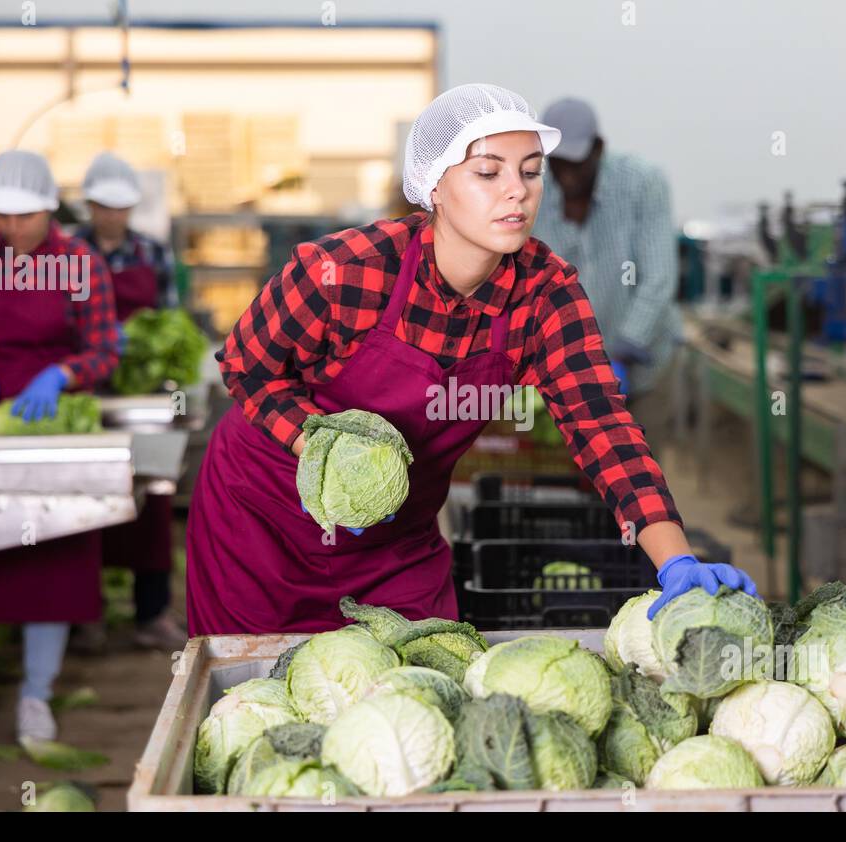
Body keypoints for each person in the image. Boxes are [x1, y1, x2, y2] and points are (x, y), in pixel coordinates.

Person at [186, 84, 756, 636]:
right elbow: (246, 367)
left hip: (396, 540)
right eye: (489, 172)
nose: (518, 191)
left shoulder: (544, 293)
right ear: (433, 185)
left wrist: (674, 561)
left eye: (531, 171)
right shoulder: (343, 271)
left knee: (417, 691)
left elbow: (602, 428)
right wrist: (326, 457)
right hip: (262, 521)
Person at [0, 150, 119, 749]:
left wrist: (62, 376)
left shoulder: (79, 262)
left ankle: (36, 696)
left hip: (54, 423)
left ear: (48, 209)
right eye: (1, 218)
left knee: (50, 560)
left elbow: (104, 349)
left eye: (24, 217)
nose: (11, 230)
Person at [75, 152, 184, 653]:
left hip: (141, 396)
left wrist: (148, 353)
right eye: (103, 206)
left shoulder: (154, 254)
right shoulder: (68, 253)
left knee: (153, 499)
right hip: (82, 395)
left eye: (120, 207)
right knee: (83, 500)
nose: (111, 215)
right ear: (90, 205)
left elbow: (173, 326)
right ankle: (84, 615)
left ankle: (152, 614)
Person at [532, 96, 681, 451]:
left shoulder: (642, 184)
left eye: (576, 164)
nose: (566, 176)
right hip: (569, 379)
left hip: (642, 371)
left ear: (598, 148)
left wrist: (623, 350)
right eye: (558, 164)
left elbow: (658, 278)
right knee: (575, 482)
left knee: (639, 479)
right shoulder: (536, 194)